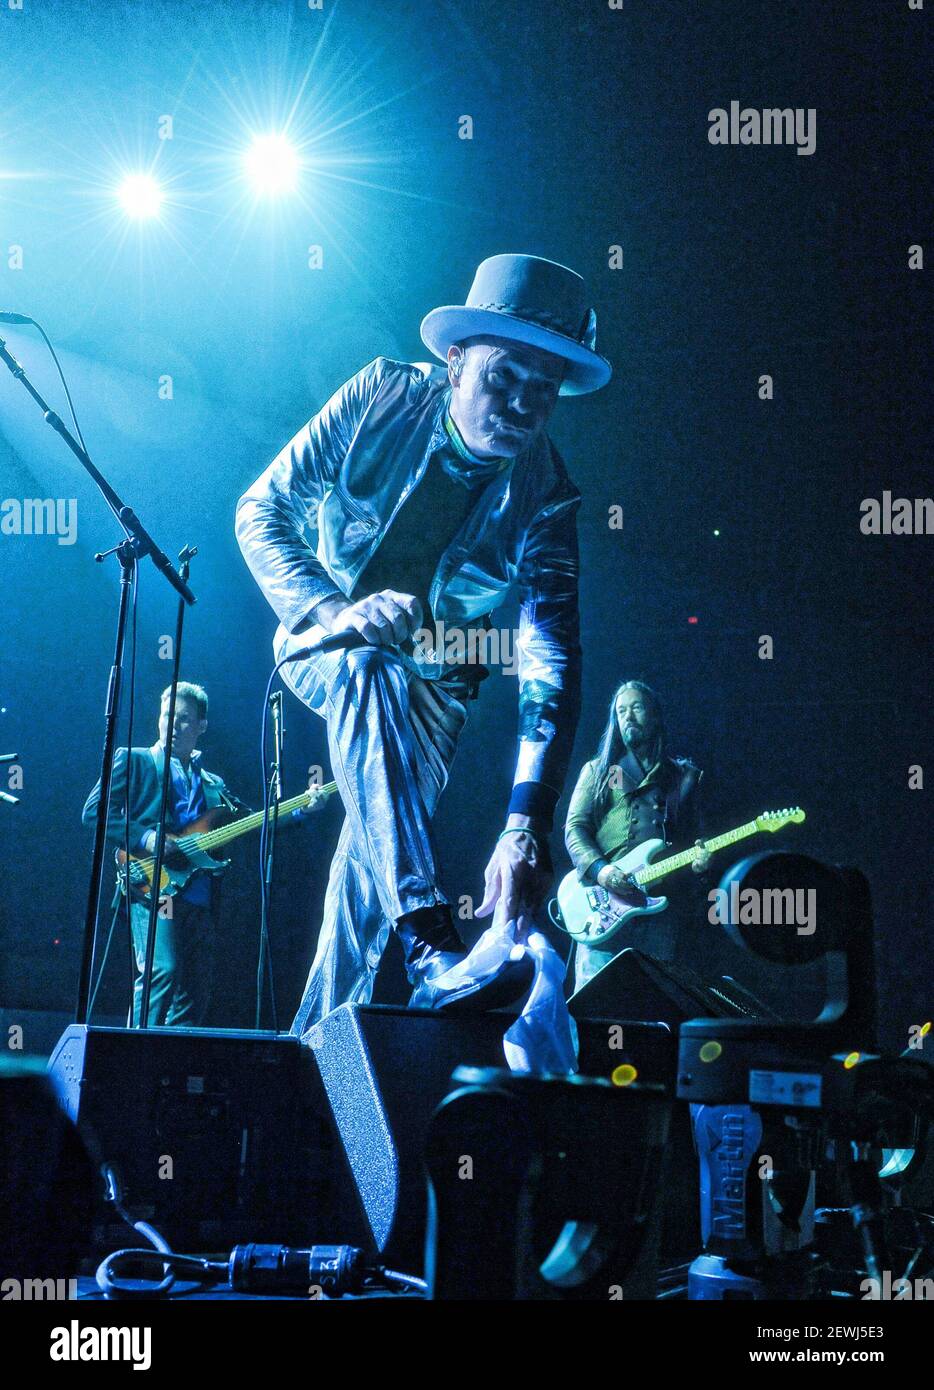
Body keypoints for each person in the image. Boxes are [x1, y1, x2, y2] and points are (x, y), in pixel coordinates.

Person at [236, 253, 612, 1032]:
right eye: (504, 378)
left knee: (363, 882)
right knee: (369, 664)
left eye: (542, 391)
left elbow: (550, 659)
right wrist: (332, 610)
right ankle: (430, 942)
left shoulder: (548, 494)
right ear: (454, 360)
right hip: (325, 644)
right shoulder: (379, 395)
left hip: (438, 689)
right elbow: (263, 509)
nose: (520, 405)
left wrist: (524, 825)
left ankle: (306, 1064)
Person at [82, 682, 245, 1026]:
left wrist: (304, 808)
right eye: (167, 715)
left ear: (202, 726)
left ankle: (166, 1068)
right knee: (163, 969)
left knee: (195, 991)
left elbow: (254, 822)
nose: (172, 725)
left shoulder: (214, 783)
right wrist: (148, 838)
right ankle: (131, 1062)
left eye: (183, 719)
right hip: (155, 888)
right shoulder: (134, 760)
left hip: (200, 898)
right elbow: (93, 812)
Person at [564, 680, 710, 991]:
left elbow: (696, 841)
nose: (627, 716)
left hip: (660, 912)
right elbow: (574, 829)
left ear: (655, 715)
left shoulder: (684, 778)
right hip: (603, 907)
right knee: (594, 1005)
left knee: (651, 1002)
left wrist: (701, 865)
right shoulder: (597, 772)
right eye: (621, 711)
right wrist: (602, 872)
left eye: (636, 707)